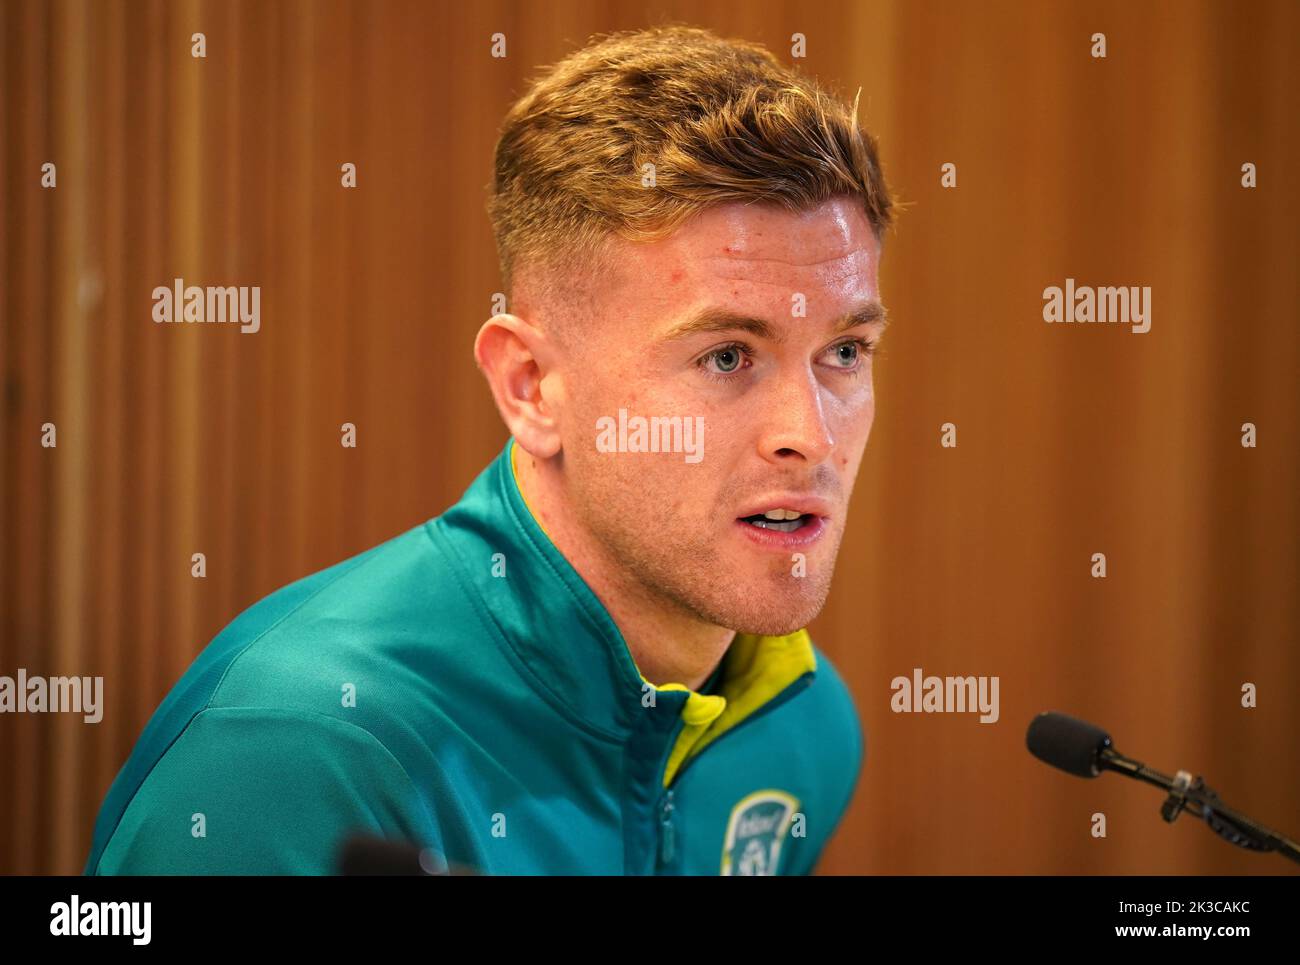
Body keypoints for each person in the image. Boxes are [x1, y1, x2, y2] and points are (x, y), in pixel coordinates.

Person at [85, 23, 894, 876]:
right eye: (726, 356)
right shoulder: (297, 752)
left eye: (844, 353)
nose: (808, 435)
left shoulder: (800, 731)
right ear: (531, 386)